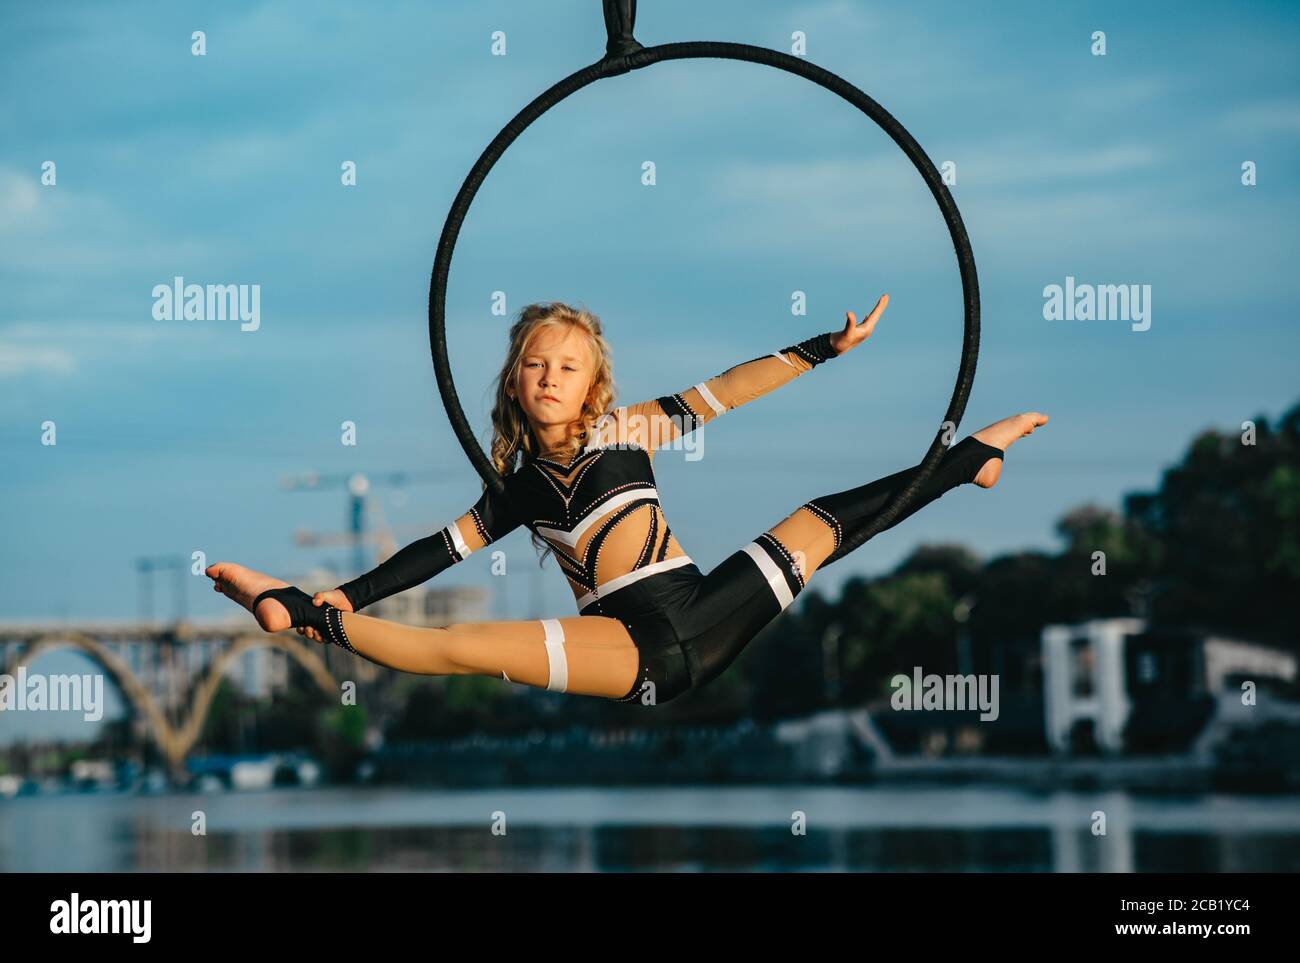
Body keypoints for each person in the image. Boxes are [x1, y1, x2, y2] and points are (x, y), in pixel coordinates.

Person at [206, 296, 1047, 705]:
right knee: (458, 643)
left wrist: (822, 347)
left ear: (592, 384)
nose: (549, 377)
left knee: (826, 520)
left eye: (567, 367)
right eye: (536, 364)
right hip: (629, 650)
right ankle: (303, 613)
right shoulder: (512, 492)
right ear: (514, 379)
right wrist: (347, 592)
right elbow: (436, 550)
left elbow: (725, 391)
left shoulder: (628, 431)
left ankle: (969, 459)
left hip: (705, 604)